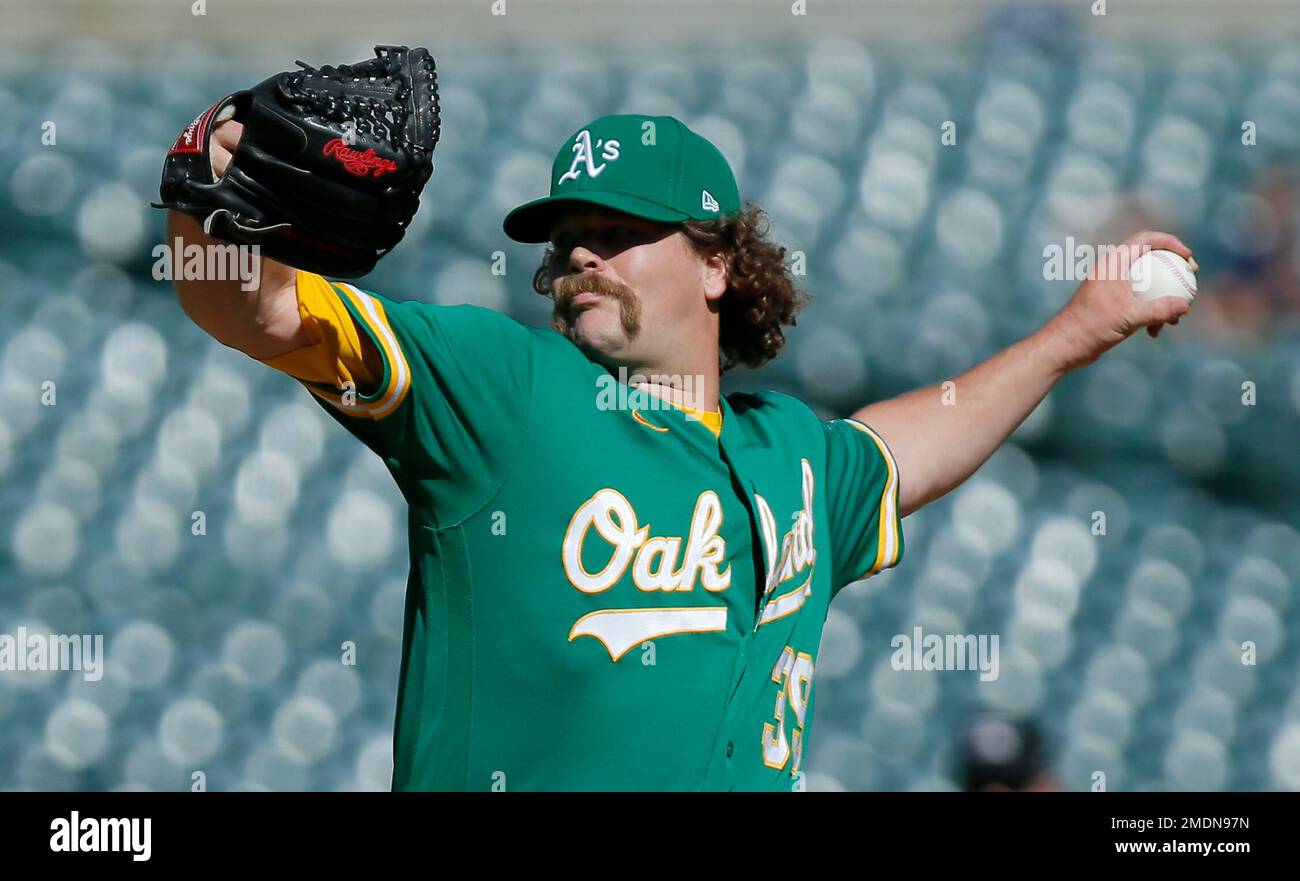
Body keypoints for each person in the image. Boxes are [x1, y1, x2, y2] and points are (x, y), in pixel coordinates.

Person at [166, 107, 1192, 791]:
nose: (579, 253)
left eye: (619, 231)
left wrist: (1074, 331)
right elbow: (245, 306)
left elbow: (907, 440)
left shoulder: (792, 456)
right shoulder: (501, 391)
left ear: (716, 266)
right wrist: (197, 183)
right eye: (567, 235)